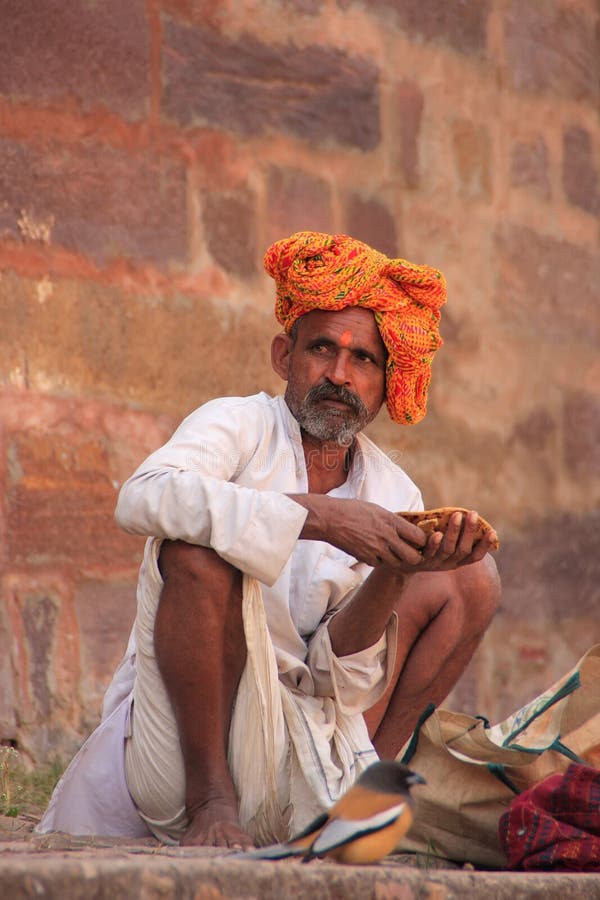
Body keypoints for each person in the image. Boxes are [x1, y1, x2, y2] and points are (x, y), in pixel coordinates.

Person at [37, 231, 500, 850]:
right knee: (195, 546)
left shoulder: (394, 491)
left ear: (386, 385)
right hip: (185, 759)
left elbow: (342, 681)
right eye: (322, 350)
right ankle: (212, 804)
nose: (339, 374)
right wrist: (320, 517)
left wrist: (397, 570)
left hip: (306, 749)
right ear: (285, 356)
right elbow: (141, 496)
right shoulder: (238, 423)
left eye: (363, 359)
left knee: (474, 579)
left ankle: (361, 802)